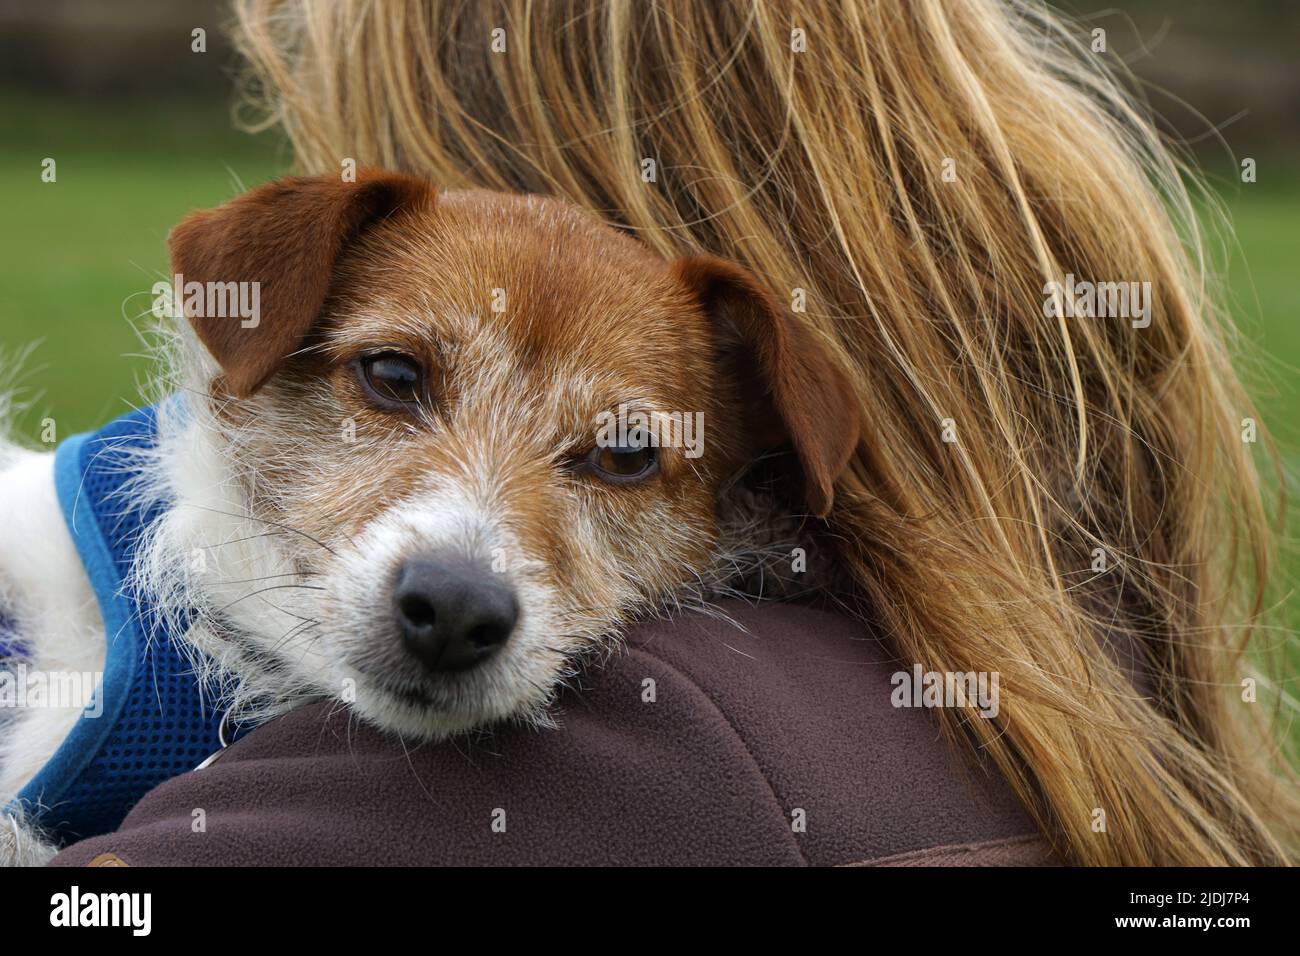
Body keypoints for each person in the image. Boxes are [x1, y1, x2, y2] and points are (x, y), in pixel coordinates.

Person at [55, 0, 1297, 865]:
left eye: (618, 456)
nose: (466, 569)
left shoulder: (629, 761)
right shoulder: (1079, 707)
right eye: (392, 378)